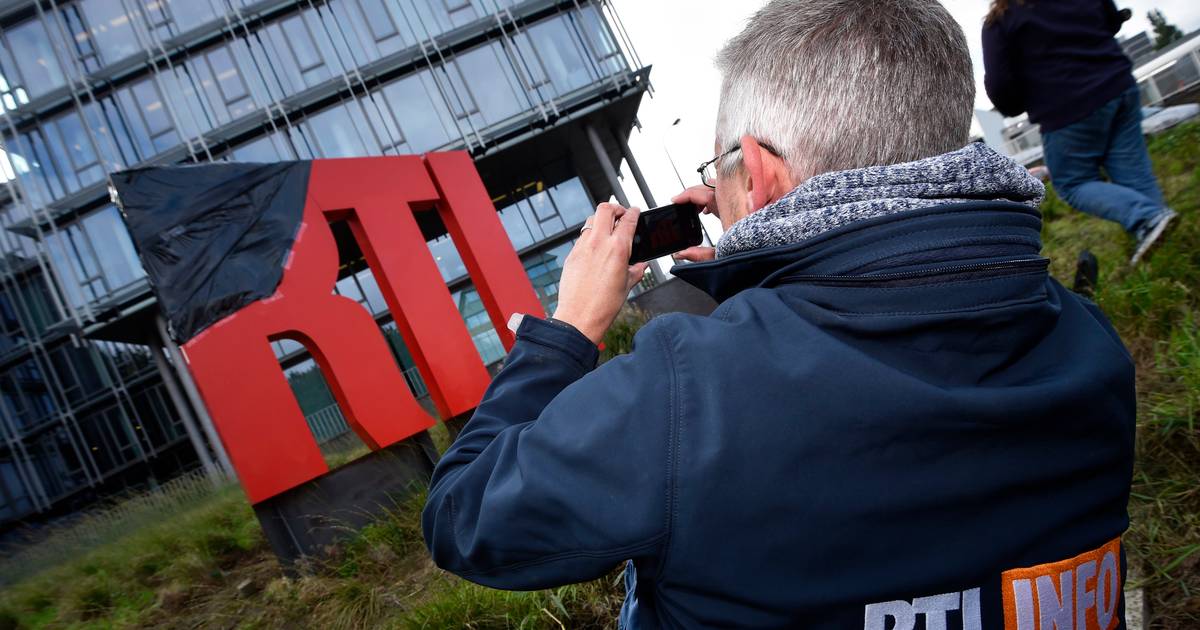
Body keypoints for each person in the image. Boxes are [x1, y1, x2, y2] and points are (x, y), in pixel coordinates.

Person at [423, 1, 1136, 627]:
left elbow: (466, 517)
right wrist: (757, 284)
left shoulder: (683, 393)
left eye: (719, 172)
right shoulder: (1086, 337)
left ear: (759, 171)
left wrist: (567, 331)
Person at [983, 0, 1177, 265]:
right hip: (1119, 87)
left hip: (1068, 108)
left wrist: (1022, 101)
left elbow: (1000, 87)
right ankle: (1165, 252)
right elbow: (1111, 20)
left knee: (1072, 184)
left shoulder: (1001, 20)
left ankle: (1149, 220)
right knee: (1133, 172)